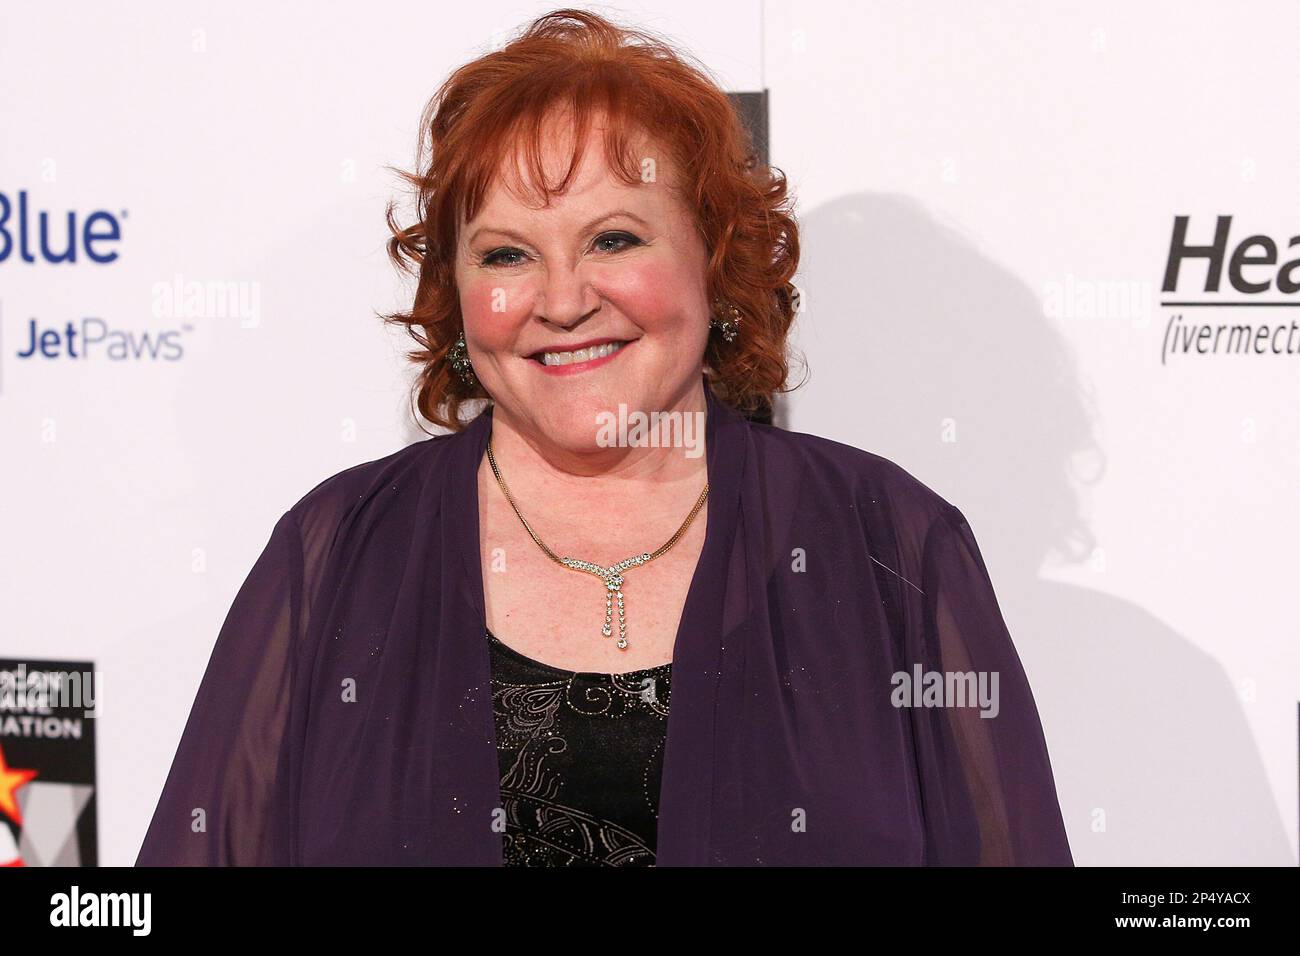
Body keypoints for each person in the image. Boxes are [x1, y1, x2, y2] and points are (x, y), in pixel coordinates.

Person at [135, 8, 1072, 866]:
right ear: (457, 294)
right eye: (507, 254)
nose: (562, 300)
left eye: (614, 240)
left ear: (713, 256)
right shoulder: (339, 554)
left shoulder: (888, 545)